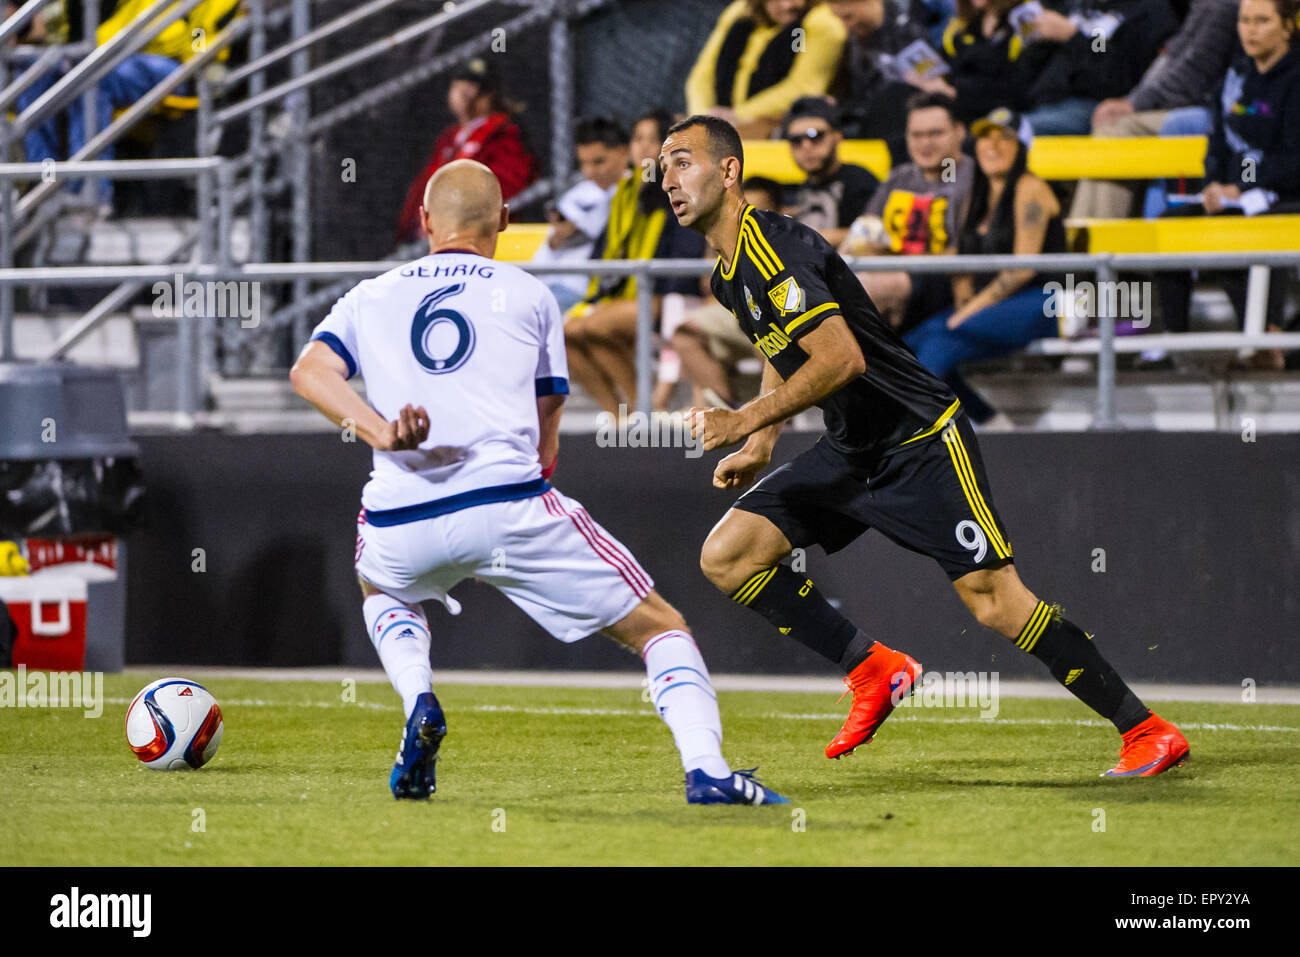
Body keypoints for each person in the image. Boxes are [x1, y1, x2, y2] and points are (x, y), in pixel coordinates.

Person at [659, 113, 1190, 777]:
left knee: (995, 602)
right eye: (661, 167)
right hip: (853, 448)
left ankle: (1146, 729)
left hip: (919, 437)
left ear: (729, 170)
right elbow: (783, 349)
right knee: (729, 555)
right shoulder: (728, 274)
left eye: (682, 160)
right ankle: (873, 668)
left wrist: (744, 418)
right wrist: (763, 440)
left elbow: (841, 358)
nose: (667, 178)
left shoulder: (775, 247)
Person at [290, 160, 786, 806]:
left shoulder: (370, 294)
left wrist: (380, 432)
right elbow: (546, 433)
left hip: (398, 512)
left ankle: (419, 698)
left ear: (424, 222)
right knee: (662, 628)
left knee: (380, 587)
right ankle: (707, 768)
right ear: (504, 221)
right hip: (506, 502)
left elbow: (309, 372)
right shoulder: (530, 295)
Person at [1152, 0, 1300, 354]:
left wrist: (1246, 185)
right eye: (1244, 20)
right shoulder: (1235, 77)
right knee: (1171, 225)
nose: (1251, 29)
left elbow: (1294, 158)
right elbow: (1217, 145)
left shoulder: (1295, 80)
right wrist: (1215, 186)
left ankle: (1268, 341)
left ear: (1288, 27)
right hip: (1239, 195)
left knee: (1248, 227)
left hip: (1287, 195)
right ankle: (1171, 344)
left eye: (1262, 21)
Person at [902, 108, 1064, 428]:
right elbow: (961, 255)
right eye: (985, 137)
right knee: (908, 349)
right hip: (998, 303)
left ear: (1023, 147)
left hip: (1044, 301)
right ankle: (990, 422)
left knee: (941, 340)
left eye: (1005, 137)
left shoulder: (1030, 189)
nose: (992, 145)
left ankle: (910, 434)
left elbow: (1023, 269)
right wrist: (962, 297)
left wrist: (970, 309)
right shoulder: (975, 196)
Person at [17, 0, 243, 210]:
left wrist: (198, 53)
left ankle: (91, 192)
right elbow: (106, 24)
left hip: (173, 64)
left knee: (94, 76)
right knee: (32, 75)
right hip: (111, 54)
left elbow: (199, 32)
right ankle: (46, 179)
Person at [564, 110, 707, 417]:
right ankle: (623, 415)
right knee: (566, 335)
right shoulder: (626, 194)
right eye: (638, 138)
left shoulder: (680, 191)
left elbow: (684, 259)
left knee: (593, 326)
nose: (644, 147)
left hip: (662, 298)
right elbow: (602, 256)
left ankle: (642, 409)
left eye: (653, 139)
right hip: (624, 298)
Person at [1069, 0, 1240, 219]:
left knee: (1115, 132)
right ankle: (1081, 235)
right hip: (1150, 103)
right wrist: (1131, 101)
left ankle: (1100, 242)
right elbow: (1166, 65)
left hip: (1195, 110)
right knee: (1107, 127)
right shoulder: (1200, 8)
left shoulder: (1155, 9)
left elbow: (1188, 79)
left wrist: (1133, 105)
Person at [841, 91, 973, 334]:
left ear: (959, 132)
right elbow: (865, 234)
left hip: (944, 281)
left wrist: (893, 259)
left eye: (935, 133)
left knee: (860, 292)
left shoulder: (973, 179)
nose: (925, 143)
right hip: (891, 273)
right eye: (916, 135)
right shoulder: (899, 177)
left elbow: (963, 252)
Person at [396, 58, 538, 244]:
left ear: (489, 96)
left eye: (473, 89)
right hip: (429, 234)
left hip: (473, 237)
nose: (463, 95)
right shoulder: (450, 137)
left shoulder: (504, 133)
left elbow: (503, 189)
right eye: (460, 87)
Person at [670, 177, 783, 408]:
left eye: (758, 213)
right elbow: (706, 284)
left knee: (769, 337)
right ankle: (730, 411)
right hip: (734, 310)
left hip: (775, 314)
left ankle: (775, 418)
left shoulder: (788, 240)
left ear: (778, 212)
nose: (748, 222)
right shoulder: (721, 234)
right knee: (685, 335)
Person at [685, 0, 848, 139]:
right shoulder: (741, 12)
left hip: (781, 134)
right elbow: (703, 75)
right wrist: (701, 118)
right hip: (724, 132)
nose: (787, 5)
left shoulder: (820, 21)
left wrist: (736, 116)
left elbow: (804, 88)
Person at [1017, 0, 1179, 135]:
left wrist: (1072, 36)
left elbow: (1117, 75)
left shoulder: (1148, 10)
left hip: (1096, 107)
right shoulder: (1078, 7)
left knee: (1013, 134)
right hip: (1043, 104)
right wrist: (1037, 42)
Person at [531, 116, 628, 314]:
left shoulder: (638, 195)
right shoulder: (579, 193)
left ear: (623, 152)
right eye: (584, 163)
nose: (590, 172)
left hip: (588, 291)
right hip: (547, 289)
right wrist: (556, 240)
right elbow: (539, 261)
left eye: (598, 162)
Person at [825, 0, 931, 161]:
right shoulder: (856, 37)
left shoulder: (911, 23)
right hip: (865, 120)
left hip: (908, 117)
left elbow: (931, 77)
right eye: (839, 19)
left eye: (848, 17)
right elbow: (857, 91)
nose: (846, 25)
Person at [912, 0, 1038, 123]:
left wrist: (949, 91)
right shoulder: (965, 28)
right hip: (962, 112)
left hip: (1005, 115)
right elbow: (951, 69)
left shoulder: (1022, 23)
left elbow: (1015, 87)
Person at [778, 95, 879, 247]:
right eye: (796, 140)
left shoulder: (860, 182)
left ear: (837, 136)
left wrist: (820, 237)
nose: (806, 147)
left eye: (815, 136)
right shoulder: (799, 189)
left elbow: (878, 232)